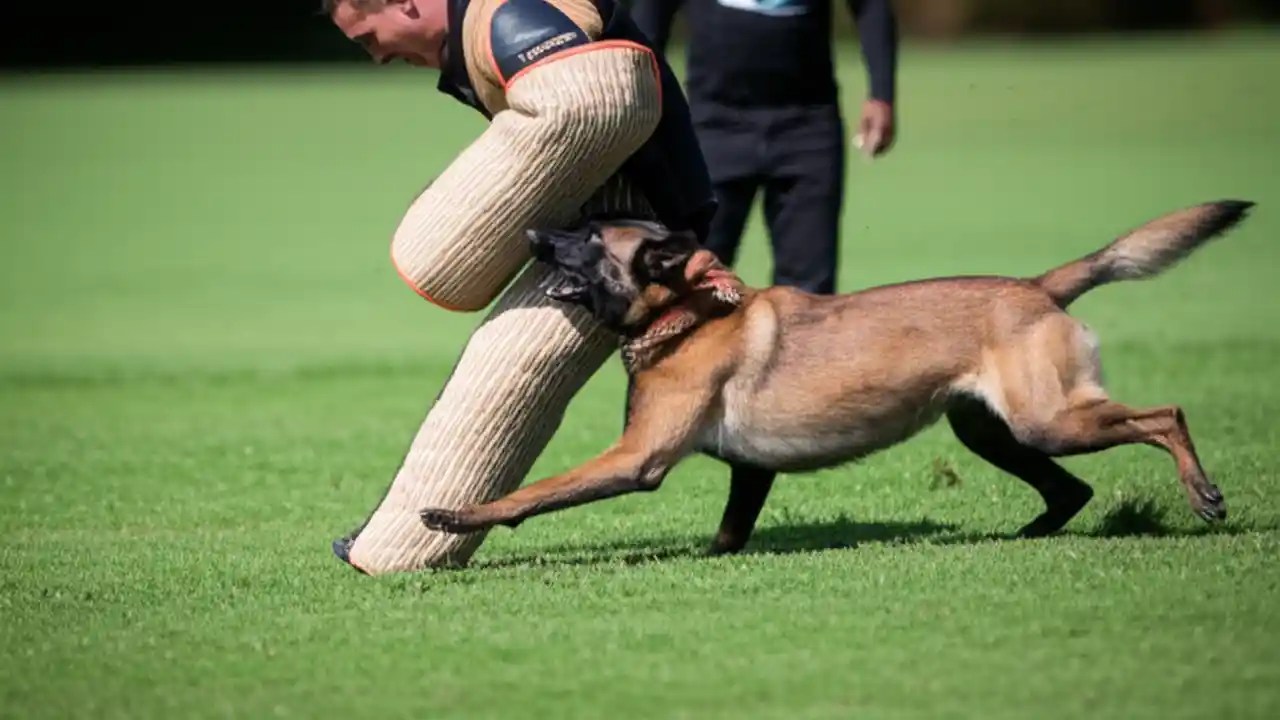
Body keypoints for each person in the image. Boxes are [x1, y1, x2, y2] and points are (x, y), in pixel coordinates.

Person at [323, 0, 716, 575]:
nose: (377, 57)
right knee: (504, 367)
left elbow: (593, 101)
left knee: (480, 321)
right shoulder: (476, 34)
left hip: (640, 240)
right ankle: (399, 544)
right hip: (607, 223)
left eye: (368, 39)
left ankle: (407, 544)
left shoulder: (503, 14)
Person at [629, 0, 899, 295]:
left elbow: (871, 6)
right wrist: (642, 103)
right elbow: (649, 18)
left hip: (808, 129)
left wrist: (882, 94)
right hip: (711, 129)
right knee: (689, 282)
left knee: (810, 294)